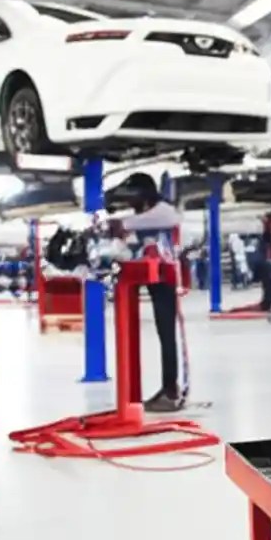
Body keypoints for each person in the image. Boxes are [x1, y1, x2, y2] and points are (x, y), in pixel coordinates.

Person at [108, 173, 186, 413]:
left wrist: (123, 224)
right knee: (164, 334)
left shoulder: (163, 210)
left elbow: (166, 218)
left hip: (166, 278)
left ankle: (170, 390)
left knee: (167, 334)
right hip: (154, 276)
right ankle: (167, 388)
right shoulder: (146, 216)